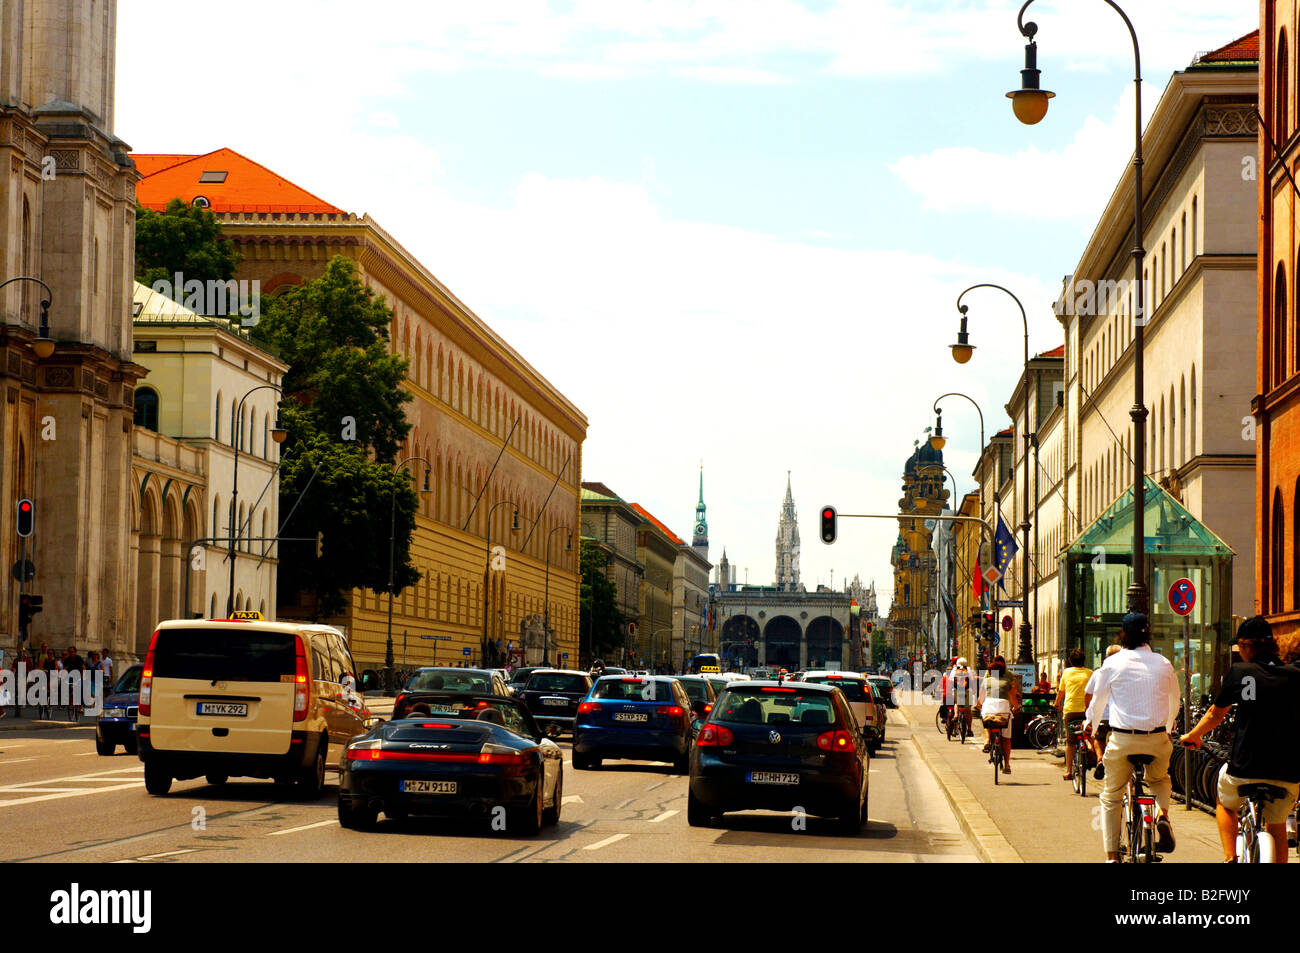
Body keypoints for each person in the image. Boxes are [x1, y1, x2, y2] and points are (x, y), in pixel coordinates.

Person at [1181, 616, 1300, 863]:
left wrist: (1193, 736)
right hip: (1287, 771)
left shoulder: (1241, 672)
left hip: (1245, 765)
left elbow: (1215, 713)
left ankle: (1229, 857)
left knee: (1225, 801)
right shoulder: (1294, 674)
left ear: (1247, 645)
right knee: (1276, 823)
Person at [1084, 612, 1181, 862]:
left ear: (1123, 635)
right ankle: (1161, 815)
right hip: (1157, 738)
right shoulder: (1164, 663)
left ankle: (1112, 856)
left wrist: (1091, 726)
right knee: (1159, 778)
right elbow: (1174, 703)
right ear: (1148, 634)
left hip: (1123, 739)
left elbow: (1098, 703)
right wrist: (1167, 729)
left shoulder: (1112, 664)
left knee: (1112, 795)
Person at [1084, 643, 1123, 778]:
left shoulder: (1098, 673)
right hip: (1119, 718)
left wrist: (1088, 711)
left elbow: (1088, 694)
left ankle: (1100, 759)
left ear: (1106, 657)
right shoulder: (1124, 672)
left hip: (1103, 716)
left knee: (1098, 738)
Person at [1055, 649, 1093, 780]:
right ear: (1084, 660)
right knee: (1088, 734)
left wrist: (1057, 704)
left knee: (1070, 742)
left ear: (1070, 661)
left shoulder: (1066, 672)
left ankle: (1068, 771)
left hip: (1070, 710)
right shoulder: (1090, 673)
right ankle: (1089, 747)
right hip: (1086, 710)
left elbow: (1061, 692)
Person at [978, 656, 1019, 773]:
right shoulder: (1007, 682)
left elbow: (981, 698)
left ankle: (987, 739)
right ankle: (1007, 765)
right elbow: (1013, 698)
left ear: (990, 672)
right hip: (1003, 712)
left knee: (985, 719)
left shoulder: (986, 681)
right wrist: (1016, 707)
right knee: (1006, 739)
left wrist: (978, 706)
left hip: (989, 710)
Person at [950, 658, 975, 736]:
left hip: (957, 690)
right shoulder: (968, 669)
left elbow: (950, 680)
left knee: (957, 703)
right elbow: (972, 680)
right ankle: (969, 729)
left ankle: (956, 715)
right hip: (967, 690)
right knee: (968, 710)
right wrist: (973, 690)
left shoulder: (954, 670)